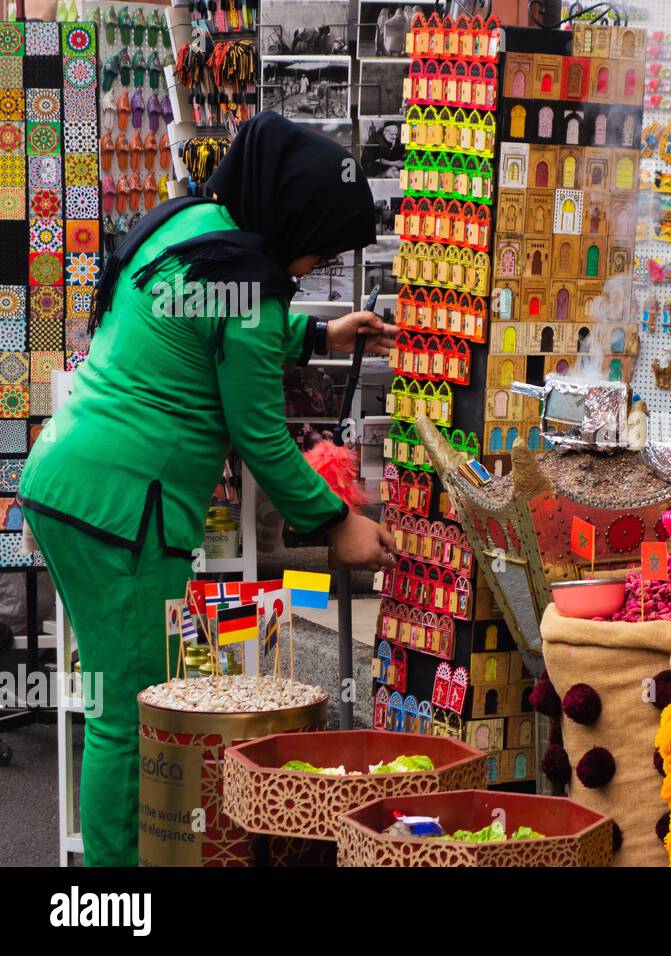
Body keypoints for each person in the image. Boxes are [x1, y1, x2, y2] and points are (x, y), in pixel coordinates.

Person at [18, 113, 398, 867]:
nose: (317, 257)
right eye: (322, 240)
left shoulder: (189, 225)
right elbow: (259, 435)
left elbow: (203, 324)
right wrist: (335, 521)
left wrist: (319, 337)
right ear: (294, 215)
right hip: (122, 510)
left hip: (66, 479)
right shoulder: (248, 288)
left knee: (115, 705)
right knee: (131, 716)